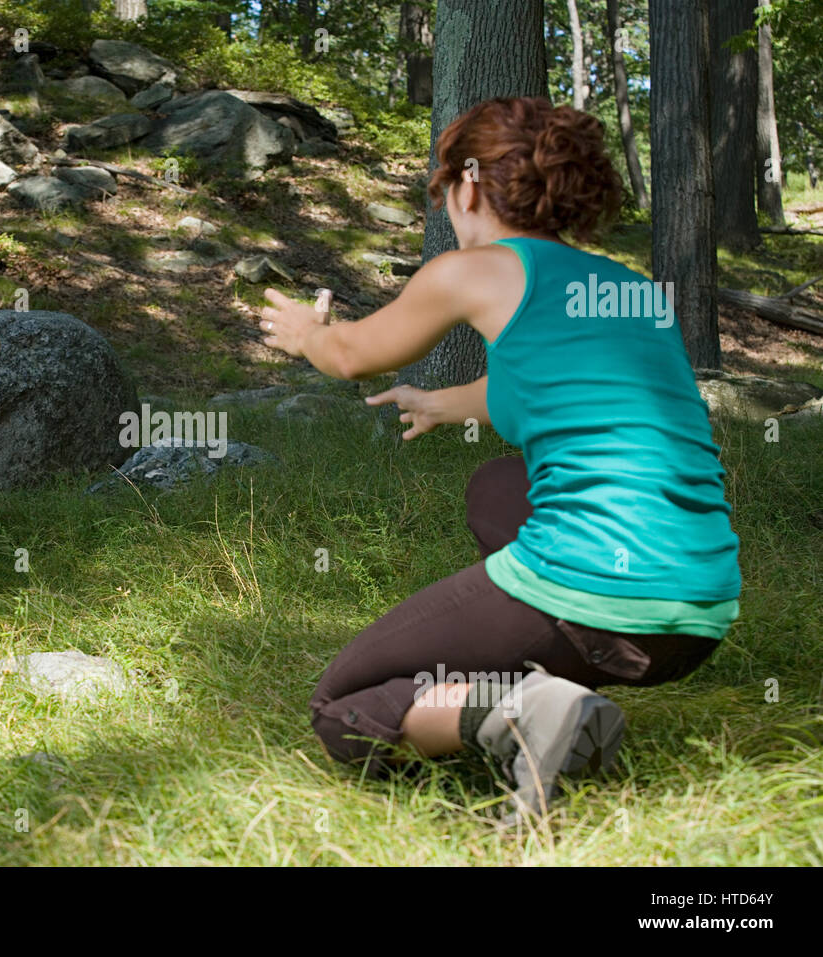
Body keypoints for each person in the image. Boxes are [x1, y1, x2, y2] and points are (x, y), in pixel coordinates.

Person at [258, 97, 740, 821]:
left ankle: (523, 710)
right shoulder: (632, 293)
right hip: (694, 614)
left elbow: (351, 354)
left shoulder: (472, 270)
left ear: (470, 186)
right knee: (498, 487)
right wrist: (445, 402)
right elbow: (546, 391)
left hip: (602, 598)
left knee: (343, 707)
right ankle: (564, 688)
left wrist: (305, 333)